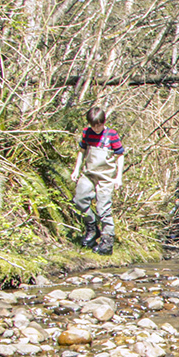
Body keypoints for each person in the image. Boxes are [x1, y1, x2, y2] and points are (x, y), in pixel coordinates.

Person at [70, 106, 124, 255]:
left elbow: (120, 155)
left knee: (103, 209)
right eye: (93, 125)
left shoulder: (112, 135)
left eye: (99, 125)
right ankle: (92, 228)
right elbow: (82, 151)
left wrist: (118, 177)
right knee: (79, 200)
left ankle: (107, 241)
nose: (96, 128)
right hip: (88, 173)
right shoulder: (86, 133)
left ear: (103, 122)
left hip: (106, 177)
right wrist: (76, 169)